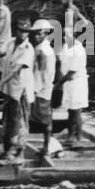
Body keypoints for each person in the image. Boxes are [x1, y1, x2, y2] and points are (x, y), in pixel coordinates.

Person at [0, 16, 35, 161]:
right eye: (21, 30)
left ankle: (20, 153)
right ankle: (6, 150)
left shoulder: (28, 49)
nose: (23, 34)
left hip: (21, 91)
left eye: (26, 31)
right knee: (7, 121)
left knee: (21, 123)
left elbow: (15, 71)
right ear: (16, 30)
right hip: (9, 90)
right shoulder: (11, 42)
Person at [57, 19, 89, 144]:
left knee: (76, 110)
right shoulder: (65, 47)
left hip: (77, 82)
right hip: (68, 83)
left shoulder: (78, 49)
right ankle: (70, 135)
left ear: (74, 34)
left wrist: (58, 84)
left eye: (68, 34)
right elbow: (60, 62)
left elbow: (72, 71)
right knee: (70, 110)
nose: (66, 37)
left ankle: (79, 136)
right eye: (64, 34)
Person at [29, 18, 57, 161]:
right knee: (43, 119)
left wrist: (35, 89)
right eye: (34, 33)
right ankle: (48, 147)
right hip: (41, 87)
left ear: (44, 34)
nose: (35, 36)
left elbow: (41, 73)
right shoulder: (42, 48)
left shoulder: (43, 50)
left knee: (44, 120)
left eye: (38, 33)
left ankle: (48, 148)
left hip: (41, 89)